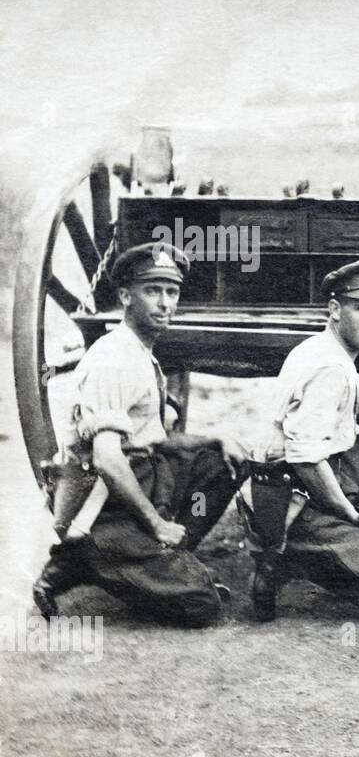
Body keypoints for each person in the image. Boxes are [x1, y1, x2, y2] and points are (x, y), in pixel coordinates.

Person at [31, 243, 247, 627]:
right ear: (125, 297)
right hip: (104, 507)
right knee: (202, 606)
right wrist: (157, 524)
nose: (165, 303)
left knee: (222, 463)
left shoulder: (140, 352)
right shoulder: (114, 359)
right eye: (153, 291)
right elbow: (109, 460)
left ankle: (165, 558)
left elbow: (154, 439)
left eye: (172, 292)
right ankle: (88, 561)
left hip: (142, 480)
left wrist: (217, 441)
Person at [249, 260, 359, 622]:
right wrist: (348, 515)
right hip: (298, 499)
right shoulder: (328, 369)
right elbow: (305, 459)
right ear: (334, 310)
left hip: (324, 474)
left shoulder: (331, 352)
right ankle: (292, 558)